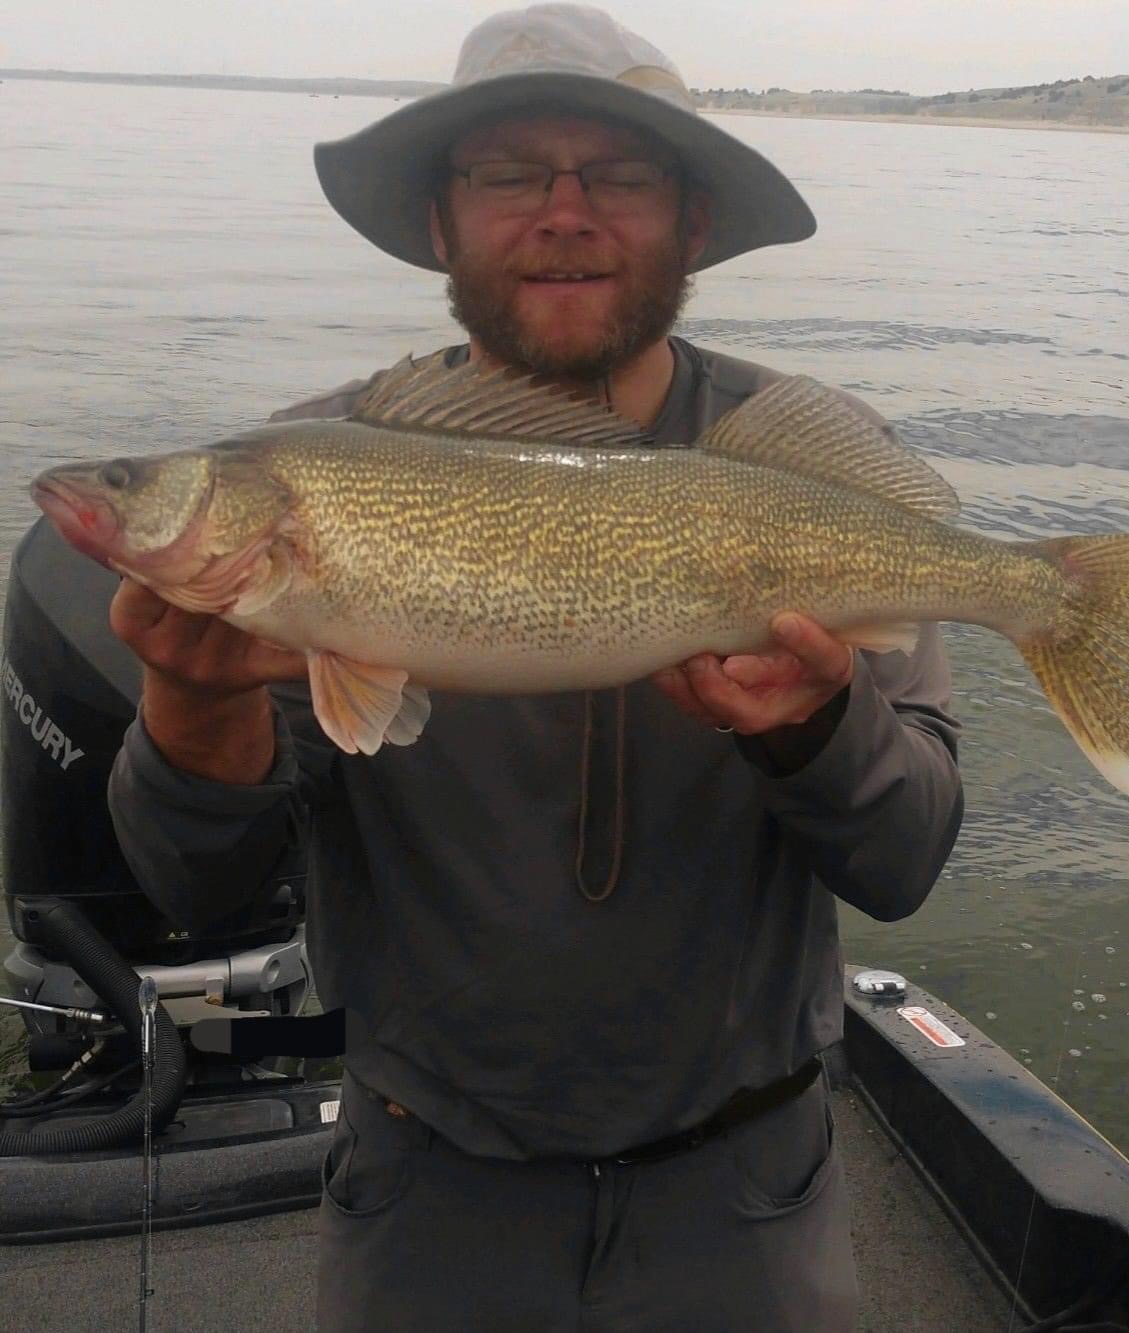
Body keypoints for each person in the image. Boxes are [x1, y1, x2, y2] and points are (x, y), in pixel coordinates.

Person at [107, 5, 964, 1329]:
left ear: (692, 221)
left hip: (747, 1194)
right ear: (440, 220)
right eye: (508, 172)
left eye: (618, 173)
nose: (564, 213)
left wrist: (815, 728)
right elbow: (194, 885)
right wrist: (190, 706)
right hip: (425, 1194)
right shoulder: (312, 476)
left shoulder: (800, 468)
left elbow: (904, 858)